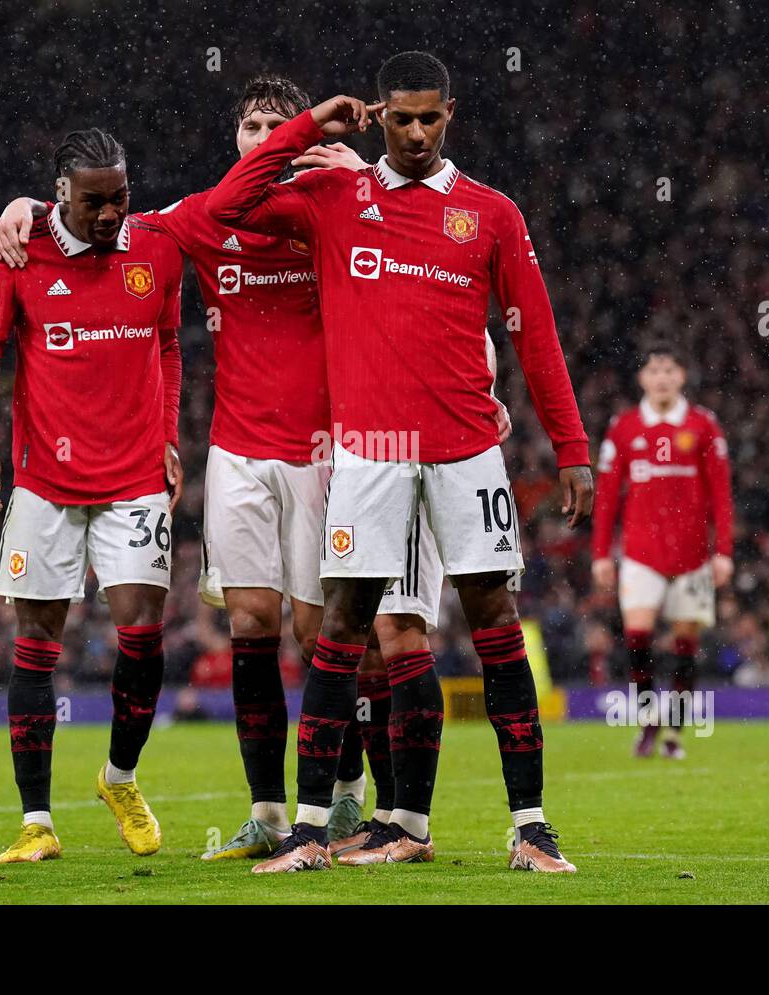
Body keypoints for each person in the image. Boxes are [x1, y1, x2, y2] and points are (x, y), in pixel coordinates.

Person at [0, 76, 457, 862]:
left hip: (324, 451)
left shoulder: (335, 206)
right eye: (251, 124)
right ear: (235, 137)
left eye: (277, 122)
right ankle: (271, 812)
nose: (263, 133)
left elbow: (420, 265)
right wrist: (28, 208)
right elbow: (107, 224)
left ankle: (353, 801)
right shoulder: (207, 221)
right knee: (250, 627)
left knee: (327, 634)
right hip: (239, 450)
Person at [207, 51, 593, 873]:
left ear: (450, 113)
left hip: (466, 454)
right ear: (379, 114)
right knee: (342, 631)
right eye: (401, 118)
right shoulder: (336, 196)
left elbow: (537, 333)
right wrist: (310, 128)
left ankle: (530, 826)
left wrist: (572, 447)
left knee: (496, 627)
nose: (416, 133)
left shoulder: (490, 213)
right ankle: (311, 830)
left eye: (430, 117)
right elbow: (228, 204)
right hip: (369, 455)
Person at [0, 128, 185, 864]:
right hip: (47, 485)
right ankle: (37, 821)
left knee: (141, 632)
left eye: (120, 196)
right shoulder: (18, 251)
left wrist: (169, 435)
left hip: (134, 479)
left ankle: (119, 776)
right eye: (94, 201)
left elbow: (171, 345)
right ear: (60, 191)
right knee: (36, 644)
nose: (110, 213)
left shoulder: (156, 248)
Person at [590, 342, 734, 759]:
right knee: (638, 637)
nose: (662, 378)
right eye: (654, 370)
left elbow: (721, 495)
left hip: (692, 558)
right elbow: (606, 498)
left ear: (682, 376)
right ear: (642, 379)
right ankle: (649, 721)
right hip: (639, 553)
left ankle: (675, 732)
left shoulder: (704, 426)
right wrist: (601, 553)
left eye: (670, 370)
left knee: (686, 644)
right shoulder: (625, 427)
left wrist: (722, 551)